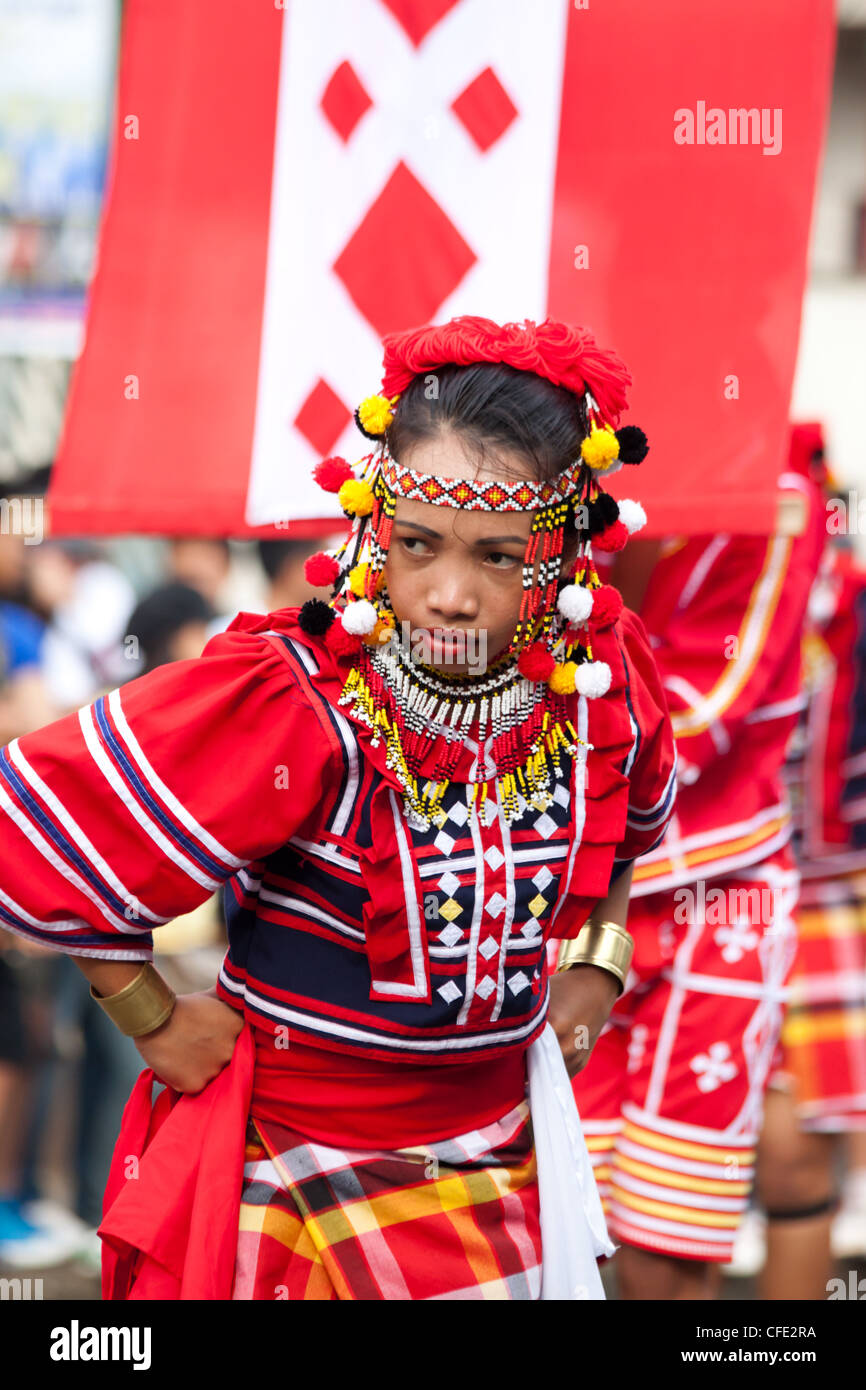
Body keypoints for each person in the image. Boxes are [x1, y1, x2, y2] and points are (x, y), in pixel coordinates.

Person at [0, 315, 676, 1301]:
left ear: (561, 554)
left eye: (497, 556)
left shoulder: (595, 682)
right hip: (300, 1173)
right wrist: (147, 1014)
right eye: (416, 545)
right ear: (372, 526)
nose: (447, 593)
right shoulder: (299, 695)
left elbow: (625, 837)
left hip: (510, 1160)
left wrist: (596, 967)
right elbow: (44, 815)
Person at [570, 425, 826, 1299]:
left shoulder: (775, 490)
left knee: (667, 1248)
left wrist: (519, 738)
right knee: (576, 1231)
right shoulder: (551, 465)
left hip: (720, 895)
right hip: (565, 892)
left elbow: (707, 709)